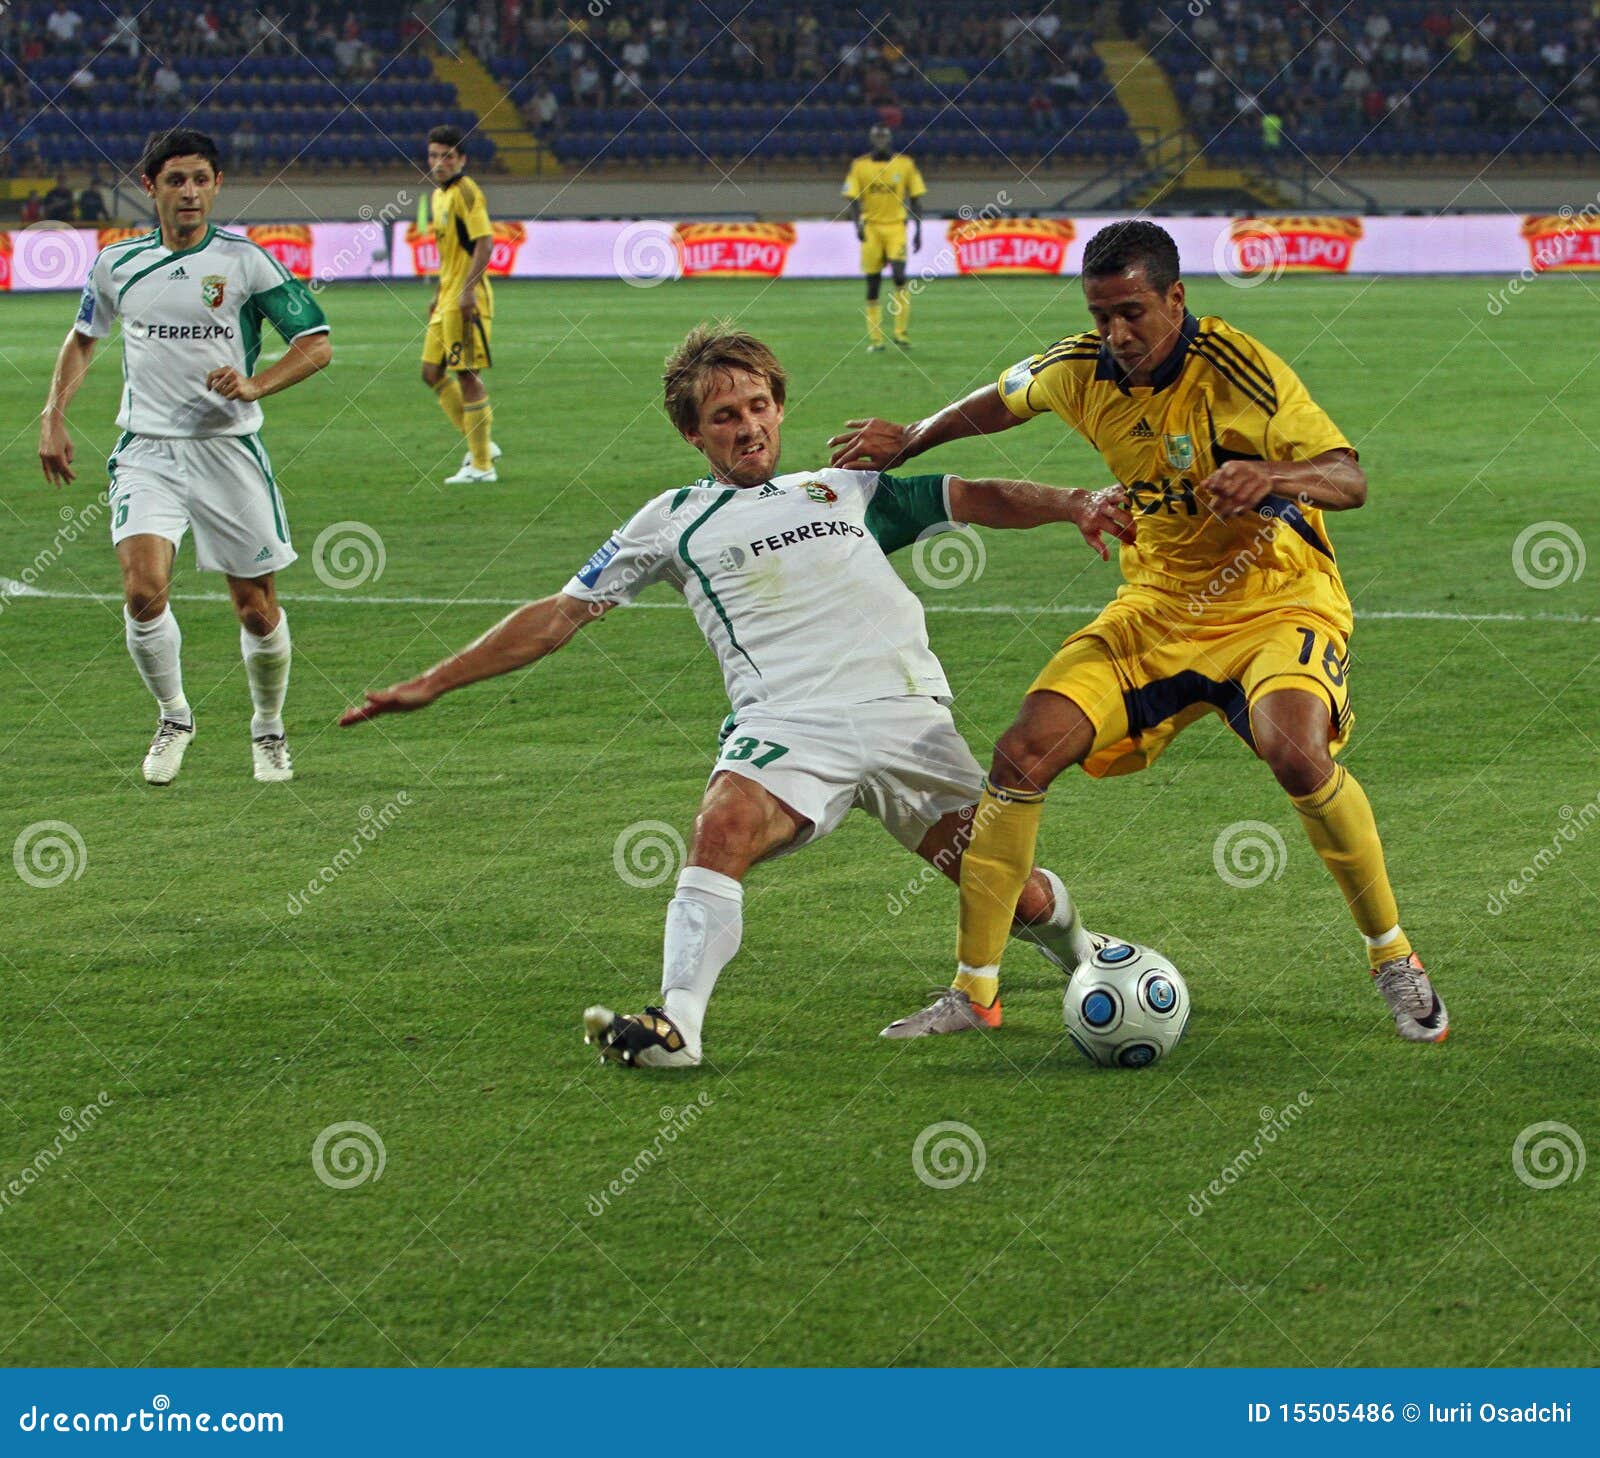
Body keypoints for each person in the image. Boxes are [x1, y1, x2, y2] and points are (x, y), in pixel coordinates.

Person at [343, 324, 1136, 1067]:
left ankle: (1089, 958)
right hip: (788, 728)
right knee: (722, 822)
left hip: (906, 719)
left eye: (760, 406)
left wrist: (1073, 502)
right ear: (694, 434)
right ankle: (678, 1023)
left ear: (781, 409)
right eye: (725, 416)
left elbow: (972, 496)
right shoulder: (674, 520)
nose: (749, 426)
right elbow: (558, 617)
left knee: (1013, 892)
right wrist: (432, 682)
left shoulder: (842, 490)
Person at [829, 220, 1447, 1045]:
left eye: (1131, 313)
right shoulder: (1080, 365)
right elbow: (1001, 399)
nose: (1116, 334)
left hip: (1276, 599)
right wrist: (911, 439)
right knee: (1021, 753)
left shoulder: (1238, 369)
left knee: (1295, 751)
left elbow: (1349, 476)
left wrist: (1274, 474)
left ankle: (1393, 959)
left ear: (1175, 298)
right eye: (1101, 314)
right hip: (1157, 605)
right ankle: (975, 993)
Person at [38, 128, 332, 786]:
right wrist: (53, 415)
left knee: (255, 608)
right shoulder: (118, 265)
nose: (190, 191)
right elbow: (82, 341)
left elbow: (315, 343)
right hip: (147, 451)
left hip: (228, 453)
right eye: (176, 180)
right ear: (151, 188)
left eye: (201, 178)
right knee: (143, 592)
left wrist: (256, 384)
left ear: (217, 184)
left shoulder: (247, 262)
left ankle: (267, 725)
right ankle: (174, 715)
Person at [421, 124, 500, 485]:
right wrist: (439, 295)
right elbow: (451, 253)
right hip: (446, 298)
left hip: (466, 298)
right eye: (434, 155)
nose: (439, 162)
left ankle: (483, 465)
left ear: (461, 159)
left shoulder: (467, 191)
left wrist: (467, 291)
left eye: (447, 156)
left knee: (467, 376)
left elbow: (484, 244)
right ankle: (480, 443)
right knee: (431, 373)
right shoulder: (439, 196)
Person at [841, 124, 924, 352]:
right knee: (873, 283)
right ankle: (876, 339)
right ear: (871, 139)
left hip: (896, 226)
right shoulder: (860, 166)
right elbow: (852, 200)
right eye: (876, 136)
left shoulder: (905, 164)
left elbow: (916, 199)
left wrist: (918, 230)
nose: (880, 140)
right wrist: (856, 223)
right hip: (872, 228)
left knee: (899, 275)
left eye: (883, 137)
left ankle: (901, 333)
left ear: (889, 139)